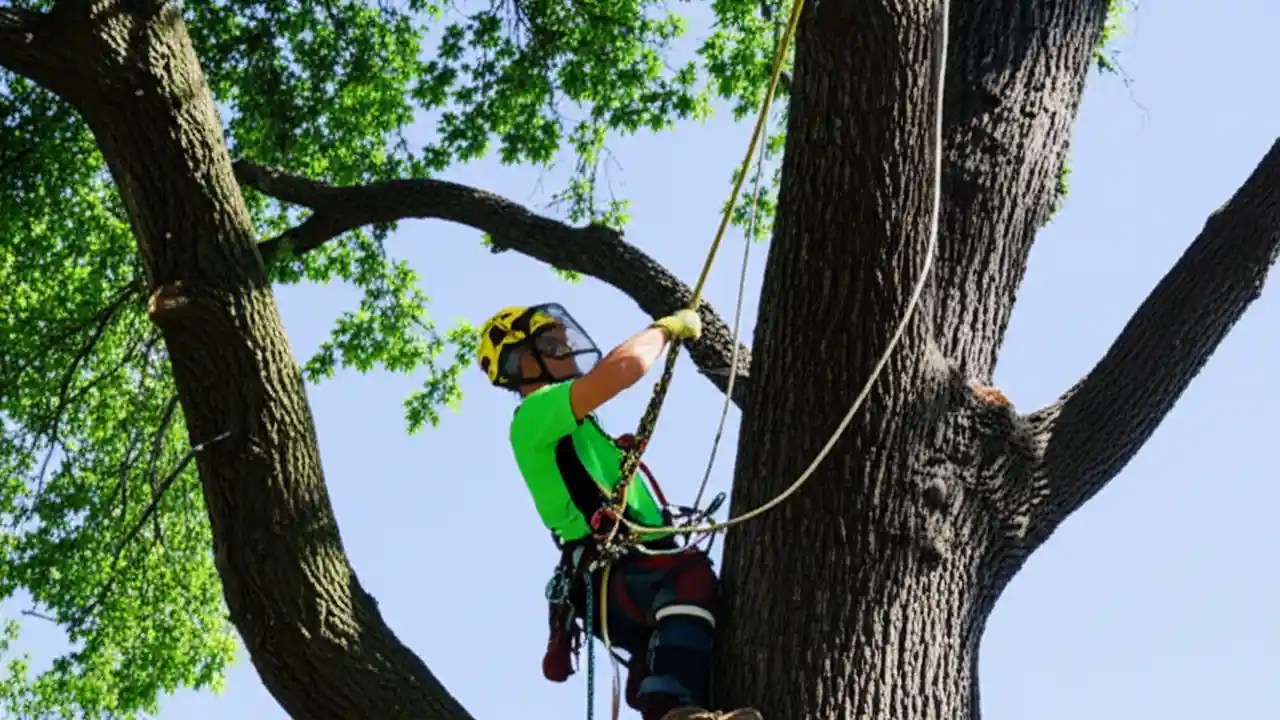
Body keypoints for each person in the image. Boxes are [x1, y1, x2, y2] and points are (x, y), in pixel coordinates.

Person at [476, 303, 762, 720]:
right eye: (552, 345)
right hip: (616, 569)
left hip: (634, 568)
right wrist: (663, 330)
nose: (569, 354)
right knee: (689, 576)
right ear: (522, 362)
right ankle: (672, 709)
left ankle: (677, 699)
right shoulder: (535, 415)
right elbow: (623, 368)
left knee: (694, 620)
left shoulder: (577, 430)